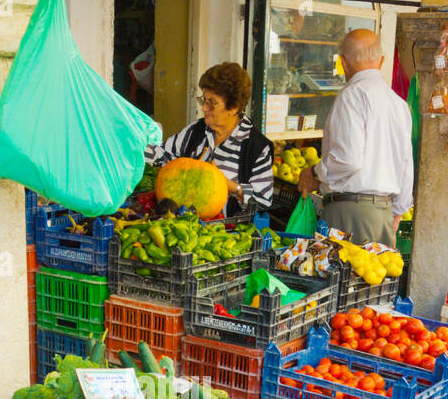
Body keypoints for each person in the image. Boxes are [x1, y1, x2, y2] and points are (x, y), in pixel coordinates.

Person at [297, 30, 413, 245]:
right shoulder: (398, 103)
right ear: (382, 61)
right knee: (374, 277)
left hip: (350, 212)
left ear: (343, 62)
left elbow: (347, 160)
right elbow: (406, 164)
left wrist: (315, 172)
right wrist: (397, 211)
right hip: (383, 214)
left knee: (343, 277)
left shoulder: (351, 96)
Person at [145, 62, 273, 214]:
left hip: (225, 233)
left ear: (234, 108)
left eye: (212, 103)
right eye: (204, 100)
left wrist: (231, 186)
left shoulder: (256, 147)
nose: (204, 108)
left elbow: (263, 201)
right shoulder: (196, 130)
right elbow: (162, 154)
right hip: (183, 226)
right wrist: (129, 148)